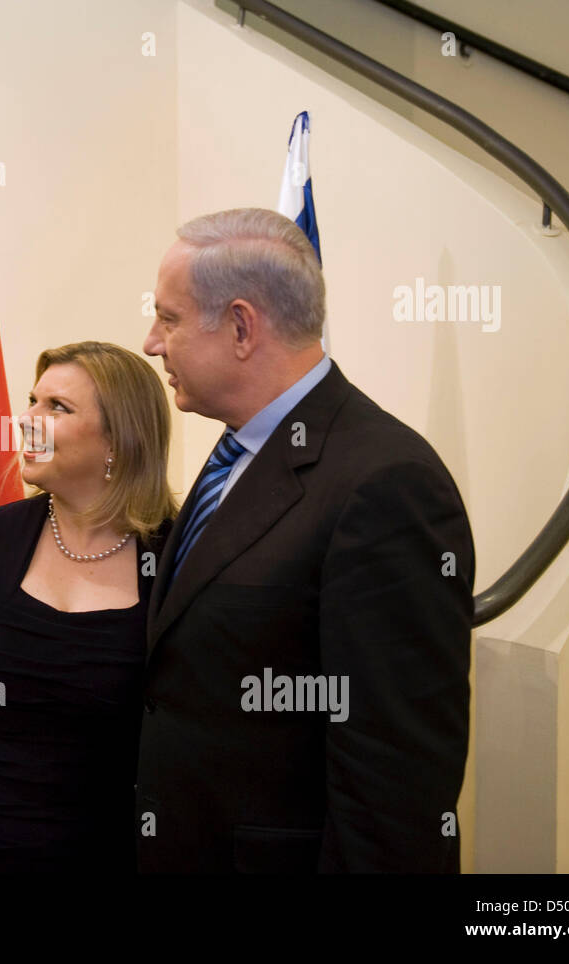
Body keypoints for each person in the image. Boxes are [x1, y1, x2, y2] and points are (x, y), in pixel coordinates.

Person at [138, 208, 474, 873]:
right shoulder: (237, 450)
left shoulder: (386, 483)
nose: (152, 342)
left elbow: (393, 786)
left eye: (169, 319)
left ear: (240, 327)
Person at [0, 341, 177, 873]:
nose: (27, 420)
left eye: (57, 408)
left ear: (118, 441)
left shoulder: (177, 560)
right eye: (32, 401)